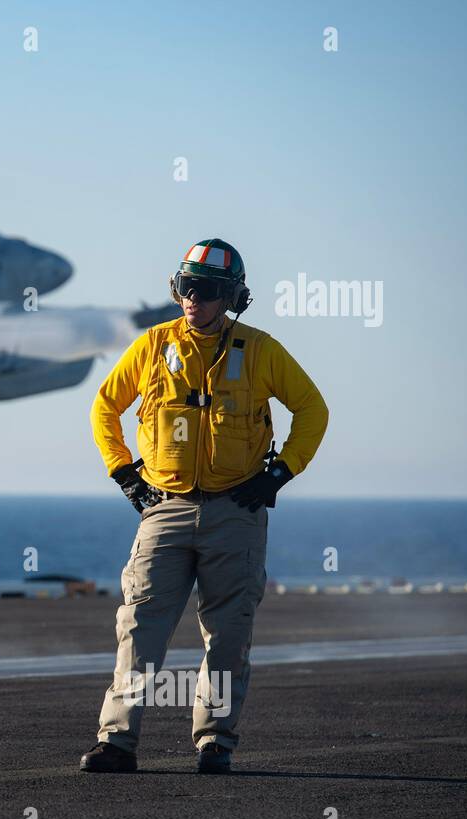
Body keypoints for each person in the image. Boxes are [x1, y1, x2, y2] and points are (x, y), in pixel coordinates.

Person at [81, 239, 328, 774]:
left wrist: (280, 474)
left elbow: (312, 408)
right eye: (185, 287)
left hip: (236, 513)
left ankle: (215, 742)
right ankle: (116, 742)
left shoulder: (261, 351)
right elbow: (106, 406)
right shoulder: (152, 346)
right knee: (140, 626)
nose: (193, 299)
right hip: (163, 509)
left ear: (232, 297)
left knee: (229, 633)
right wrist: (124, 473)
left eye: (207, 290)